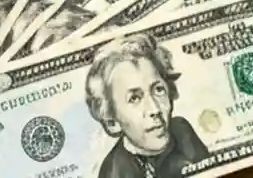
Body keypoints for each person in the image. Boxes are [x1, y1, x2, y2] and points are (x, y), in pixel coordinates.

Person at [85, 34, 210, 178]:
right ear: (112, 121)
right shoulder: (114, 172)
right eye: (134, 98)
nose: (155, 109)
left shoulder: (182, 132)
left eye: (158, 89)